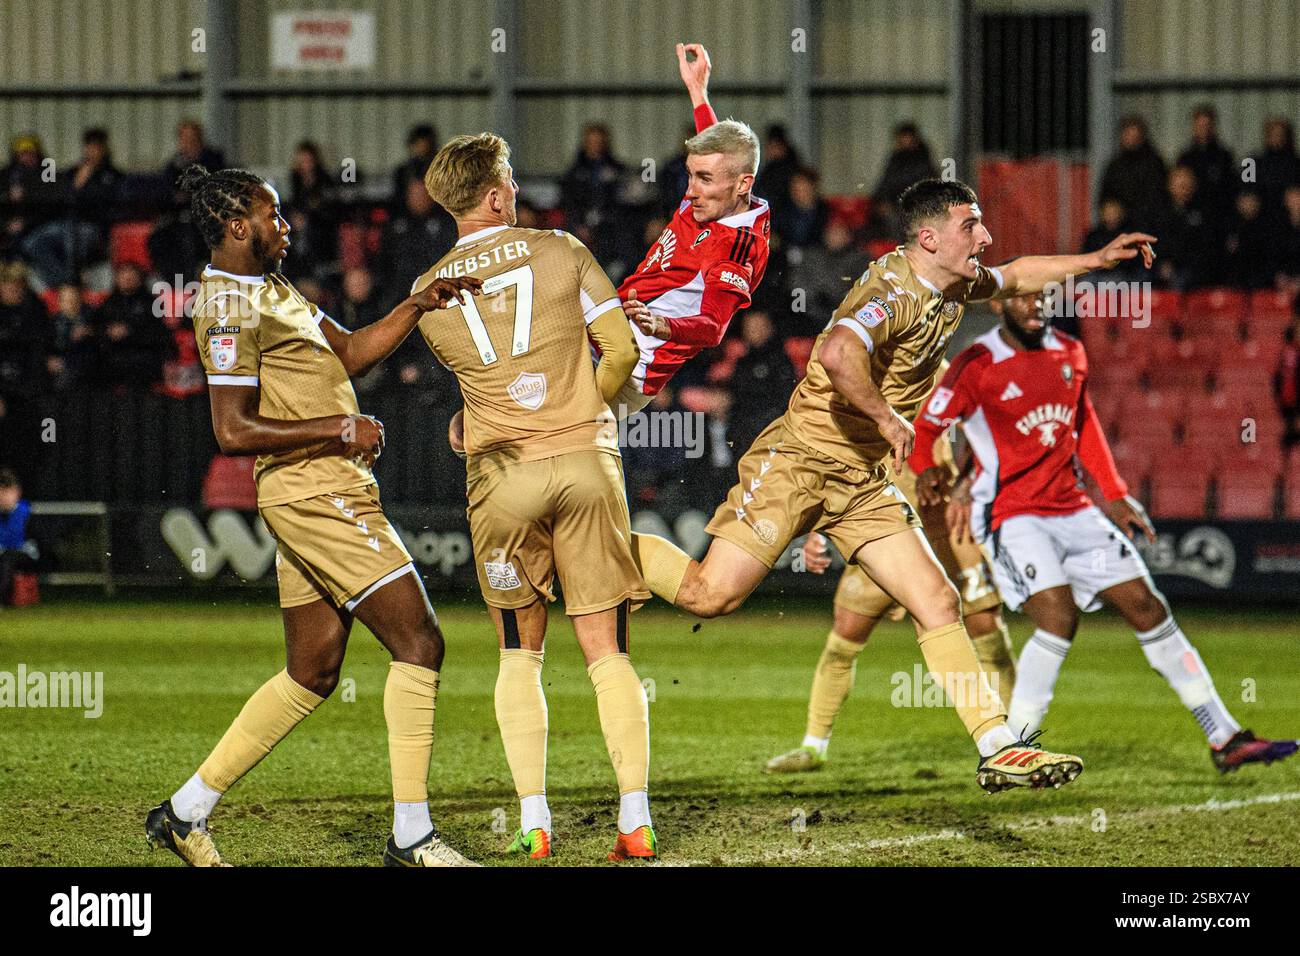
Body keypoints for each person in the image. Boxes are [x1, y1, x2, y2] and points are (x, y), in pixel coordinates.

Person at [631, 178, 1157, 792]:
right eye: (972, 225)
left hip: (862, 480)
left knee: (937, 602)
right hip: (802, 459)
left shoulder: (956, 280)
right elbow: (839, 355)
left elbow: (1016, 275)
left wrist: (1092, 260)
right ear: (929, 238)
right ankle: (604, 547)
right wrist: (886, 415)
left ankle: (998, 744)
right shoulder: (892, 289)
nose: (984, 236)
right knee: (708, 597)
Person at [144, 164, 482, 868]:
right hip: (313, 491)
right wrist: (338, 430)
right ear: (238, 225)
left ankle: (185, 812)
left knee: (313, 671)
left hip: (323, 488)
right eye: (273, 215)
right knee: (420, 642)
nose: (286, 225)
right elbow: (232, 430)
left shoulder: (270, 288)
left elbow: (352, 351)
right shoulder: (227, 308)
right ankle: (412, 837)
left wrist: (418, 303)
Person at [914, 292, 1298, 773]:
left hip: (1073, 508)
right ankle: (1013, 748)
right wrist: (928, 467)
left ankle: (1224, 736)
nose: (1036, 306)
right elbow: (928, 428)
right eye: (1024, 298)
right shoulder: (978, 362)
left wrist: (1113, 494)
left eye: (1043, 298)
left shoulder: (1070, 352)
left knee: (1148, 606)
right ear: (999, 304)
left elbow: (1085, 424)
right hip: (1011, 514)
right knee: (1057, 615)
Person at [414, 132, 654, 862]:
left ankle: (534, 822)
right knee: (606, 653)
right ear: (494, 194)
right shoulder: (562, 250)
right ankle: (635, 822)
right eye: (510, 180)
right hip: (584, 461)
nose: (515, 190)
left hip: (501, 477)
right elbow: (624, 352)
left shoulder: (427, 292)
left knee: (519, 654)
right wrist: (590, 404)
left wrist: (477, 419)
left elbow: (476, 387)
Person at [765, 400, 1015, 774]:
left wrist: (965, 487)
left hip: (943, 520)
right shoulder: (854, 385)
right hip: (879, 526)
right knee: (843, 639)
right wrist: (818, 529)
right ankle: (813, 745)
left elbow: (987, 434)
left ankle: (1011, 741)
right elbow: (827, 452)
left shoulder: (939, 372)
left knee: (986, 629)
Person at [1098, 116, 1168, 232]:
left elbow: (1156, 197)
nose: (1131, 139)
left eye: (1135, 135)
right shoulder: (1115, 165)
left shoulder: (1154, 163)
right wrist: (1111, 210)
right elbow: (1106, 194)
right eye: (1128, 135)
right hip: (1117, 225)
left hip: (1148, 223)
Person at [1175, 105, 1235, 223]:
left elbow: (1230, 188)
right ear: (1194, 127)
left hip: (1218, 217)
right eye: (1200, 125)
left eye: (1207, 125)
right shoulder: (1185, 157)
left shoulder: (1224, 156)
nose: (1204, 129)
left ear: (1213, 126)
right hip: (1191, 218)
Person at [0, 468, 38, 606]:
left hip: (25, 555)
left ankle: (3, 600)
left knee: (7, 559)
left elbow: (35, 543)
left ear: (16, 492)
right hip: (4, 554)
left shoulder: (26, 512)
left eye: (6, 492)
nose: (3, 497)